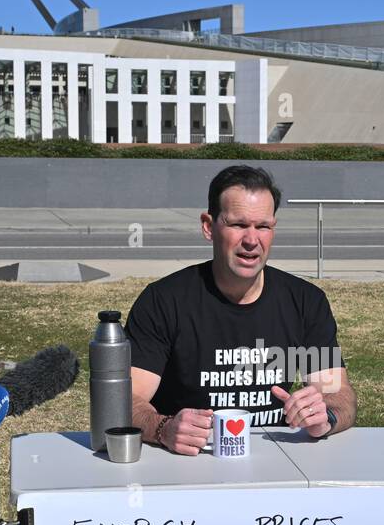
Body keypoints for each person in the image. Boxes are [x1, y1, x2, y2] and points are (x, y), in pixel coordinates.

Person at [126, 165, 356, 456]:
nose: (251, 240)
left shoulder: (305, 301)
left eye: (263, 226)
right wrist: (163, 428)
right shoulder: (163, 301)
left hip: (278, 458)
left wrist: (326, 417)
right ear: (209, 226)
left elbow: (338, 393)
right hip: (187, 463)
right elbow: (125, 399)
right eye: (238, 225)